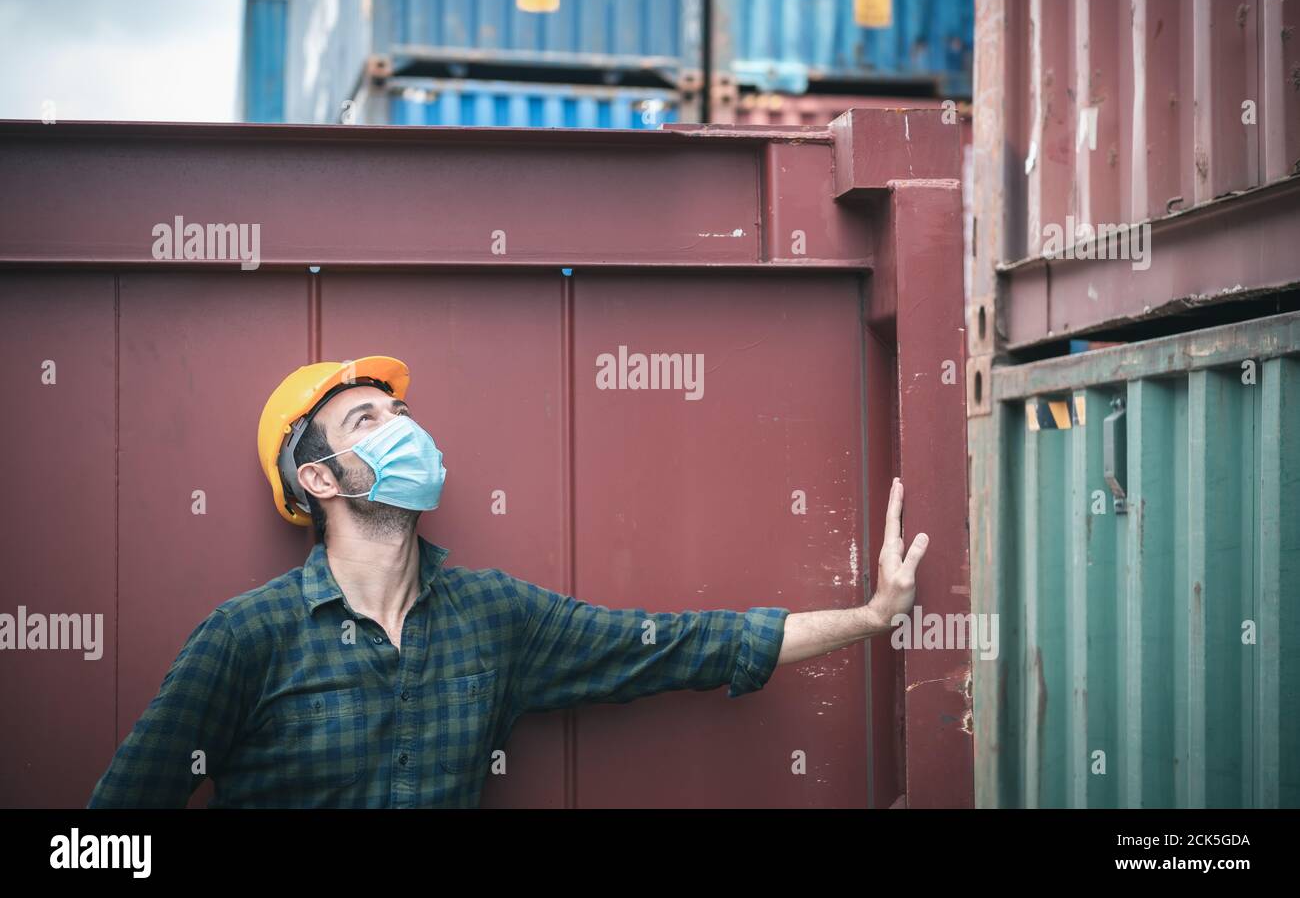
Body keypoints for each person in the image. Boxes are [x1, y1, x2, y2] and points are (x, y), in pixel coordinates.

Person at [87, 356, 928, 807]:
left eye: (402, 415)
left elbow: (684, 646)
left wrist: (872, 614)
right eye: (367, 420)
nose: (401, 430)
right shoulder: (246, 637)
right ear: (319, 480)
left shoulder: (493, 615)